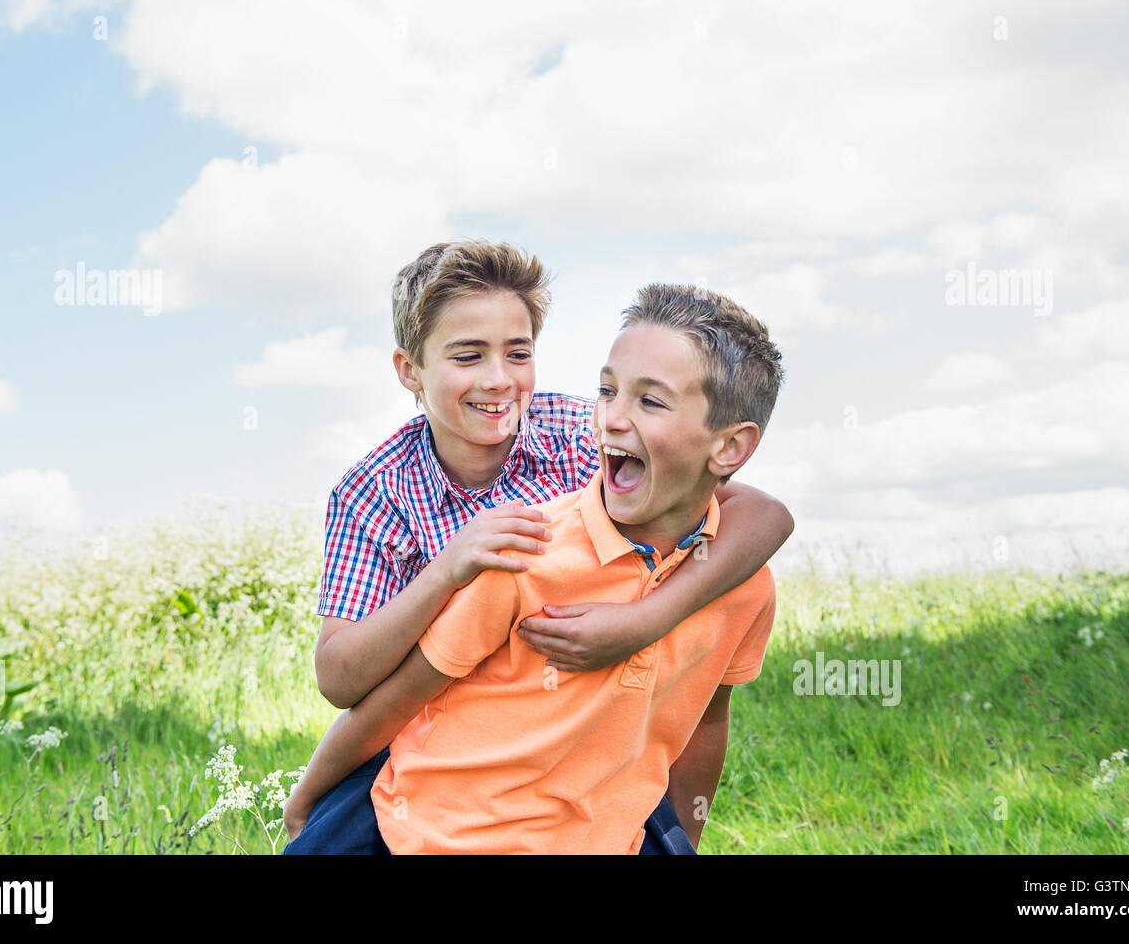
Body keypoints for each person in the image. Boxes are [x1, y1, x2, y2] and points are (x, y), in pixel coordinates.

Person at [284, 242, 791, 852]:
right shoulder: (374, 493)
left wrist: (643, 620)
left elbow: (760, 514)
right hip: (417, 746)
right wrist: (447, 569)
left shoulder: (583, 431)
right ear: (409, 370)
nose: (499, 380)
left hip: (589, 745)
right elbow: (342, 680)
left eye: (518, 353)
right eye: (468, 356)